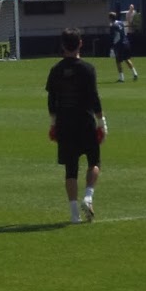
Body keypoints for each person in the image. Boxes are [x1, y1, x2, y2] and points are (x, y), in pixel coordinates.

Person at [46, 27, 105, 224]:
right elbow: (94, 98)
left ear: (63, 45)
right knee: (94, 162)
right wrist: (101, 122)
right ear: (80, 43)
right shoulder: (88, 69)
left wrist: (53, 124)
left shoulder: (55, 70)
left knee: (70, 169)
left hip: (64, 122)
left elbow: (51, 101)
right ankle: (88, 196)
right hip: (85, 120)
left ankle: (74, 213)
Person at [109, 6, 140, 82]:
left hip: (119, 45)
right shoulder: (121, 23)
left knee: (118, 61)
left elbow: (115, 37)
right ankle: (135, 73)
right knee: (127, 59)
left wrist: (112, 47)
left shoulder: (113, 26)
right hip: (126, 43)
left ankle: (121, 78)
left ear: (110, 18)